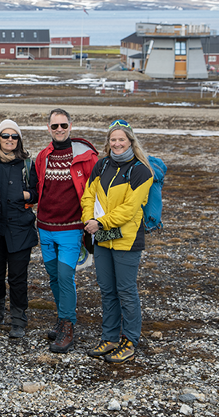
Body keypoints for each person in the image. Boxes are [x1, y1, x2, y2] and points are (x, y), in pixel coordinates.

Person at [81, 120, 153, 363]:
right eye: (113, 140)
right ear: (108, 142)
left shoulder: (141, 171)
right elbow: (88, 195)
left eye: (122, 139)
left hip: (126, 239)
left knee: (126, 291)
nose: (117, 144)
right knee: (108, 291)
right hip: (102, 238)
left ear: (130, 141)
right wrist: (88, 219)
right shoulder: (102, 165)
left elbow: (130, 209)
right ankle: (110, 337)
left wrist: (100, 223)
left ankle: (130, 340)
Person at [32, 108, 98, 353]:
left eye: (63, 125)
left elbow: (95, 192)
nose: (59, 130)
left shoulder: (87, 156)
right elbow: (38, 188)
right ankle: (61, 319)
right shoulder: (43, 157)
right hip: (46, 228)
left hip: (72, 228)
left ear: (71, 126)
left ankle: (69, 325)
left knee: (65, 276)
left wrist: (92, 222)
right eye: (54, 126)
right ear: (48, 128)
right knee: (53, 276)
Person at [0, 120, 38, 339]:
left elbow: (36, 192)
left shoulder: (27, 164)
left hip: (21, 229)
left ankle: (18, 319)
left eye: (13, 136)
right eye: (5, 136)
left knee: (18, 277)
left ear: (19, 140)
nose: (9, 140)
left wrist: (25, 196)